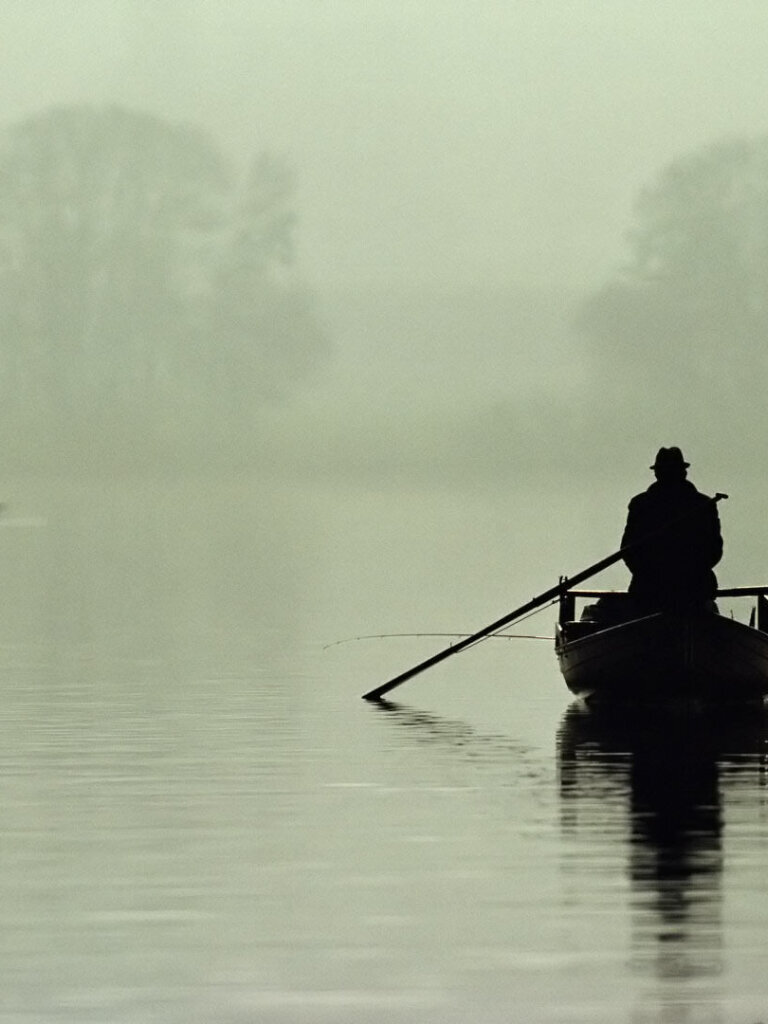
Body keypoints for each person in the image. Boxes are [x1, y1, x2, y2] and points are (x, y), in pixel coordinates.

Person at [620, 447, 723, 612]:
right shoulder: (702, 504)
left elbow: (713, 550)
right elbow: (629, 550)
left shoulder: (703, 505)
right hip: (659, 590)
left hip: (686, 590)